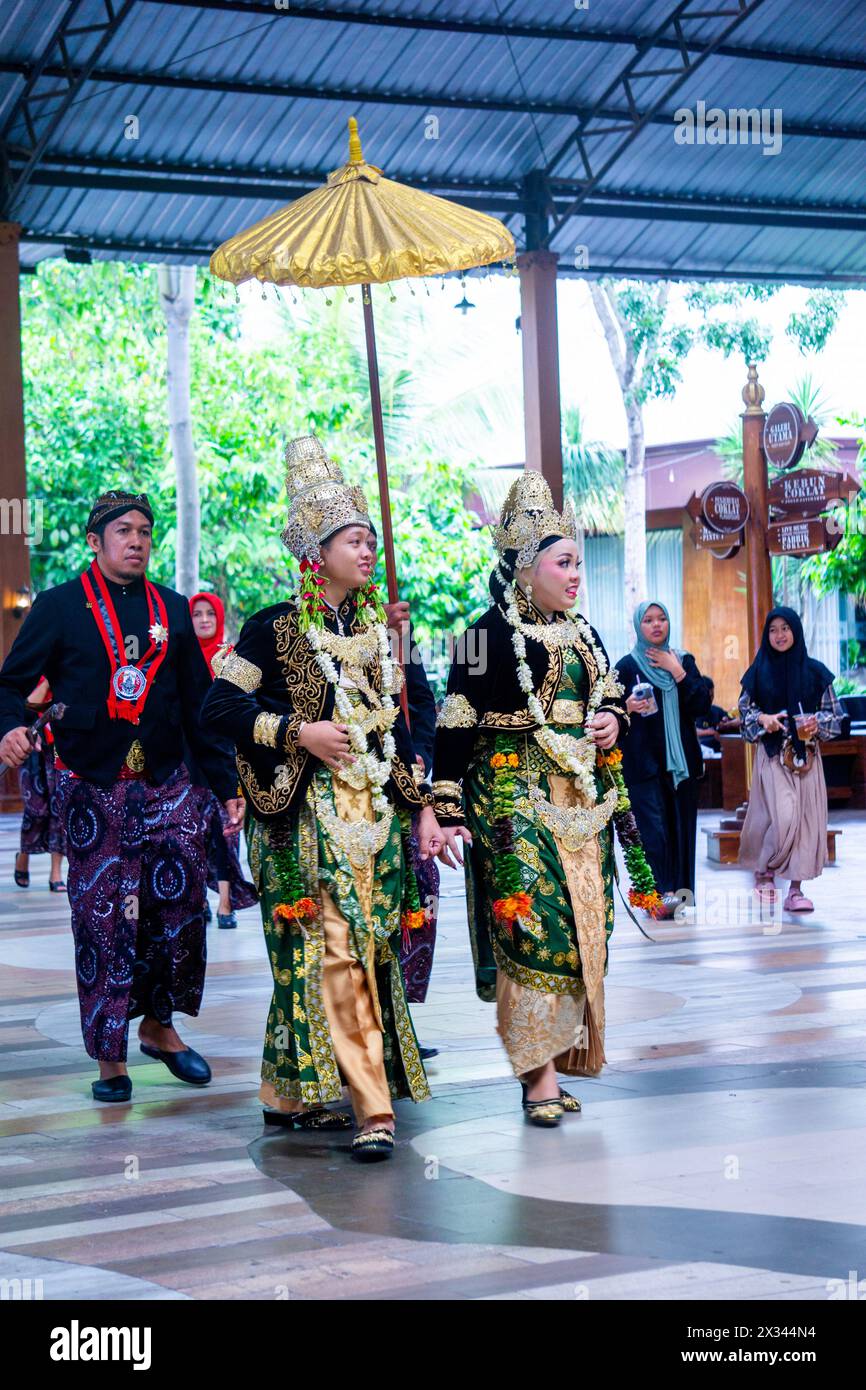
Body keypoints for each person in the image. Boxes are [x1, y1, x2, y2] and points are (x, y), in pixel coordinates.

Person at [201, 436, 442, 1162]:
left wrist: (427, 808)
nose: (368, 551)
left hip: (372, 821)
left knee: (359, 953)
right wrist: (294, 731)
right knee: (332, 952)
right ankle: (373, 1110)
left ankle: (289, 1091)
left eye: (371, 539)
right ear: (317, 552)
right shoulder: (273, 628)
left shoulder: (379, 636)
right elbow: (216, 710)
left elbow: (400, 732)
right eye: (353, 540)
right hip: (298, 821)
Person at [0, 490, 242, 1103]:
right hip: (91, 784)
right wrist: (8, 727)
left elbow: (199, 706)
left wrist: (226, 786)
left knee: (182, 910)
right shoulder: (59, 607)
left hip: (168, 782)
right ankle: (110, 1059)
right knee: (104, 921)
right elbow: (10, 685)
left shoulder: (173, 607)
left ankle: (161, 1029)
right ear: (96, 540)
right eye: (123, 531)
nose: (136, 541)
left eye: (144, 532)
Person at [431, 472, 629, 1128]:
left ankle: (560, 1058)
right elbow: (454, 728)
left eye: (577, 563)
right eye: (564, 562)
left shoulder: (585, 635)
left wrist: (611, 724)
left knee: (579, 931)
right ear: (526, 569)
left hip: (579, 802)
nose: (576, 575)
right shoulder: (484, 638)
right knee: (528, 928)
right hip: (510, 805)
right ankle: (535, 1073)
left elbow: (612, 699)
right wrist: (448, 807)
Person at [737, 606, 843, 912]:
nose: (779, 635)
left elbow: (836, 718)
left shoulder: (816, 672)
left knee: (806, 822)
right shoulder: (757, 673)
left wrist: (816, 724)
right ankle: (765, 871)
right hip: (772, 755)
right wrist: (764, 719)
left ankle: (795, 890)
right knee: (783, 817)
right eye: (773, 629)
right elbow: (744, 716)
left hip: (807, 757)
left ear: (795, 631)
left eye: (785, 628)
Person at [615, 601, 711, 916]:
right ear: (638, 626)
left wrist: (677, 671)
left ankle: (676, 894)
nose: (657, 625)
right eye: (648, 620)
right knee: (652, 831)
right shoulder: (626, 667)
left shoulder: (683, 660)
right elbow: (609, 712)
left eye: (662, 619)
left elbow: (701, 706)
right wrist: (627, 707)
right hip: (643, 765)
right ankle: (656, 895)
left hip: (681, 765)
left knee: (680, 829)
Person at [189, 590, 257, 929]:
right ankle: (199, 899)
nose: (203, 621)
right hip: (190, 764)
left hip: (228, 758)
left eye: (209, 615)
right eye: (196, 615)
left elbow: (244, 705)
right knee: (195, 835)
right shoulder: (180, 659)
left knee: (226, 834)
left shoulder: (230, 658)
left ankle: (226, 903)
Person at [14, 676, 67, 892]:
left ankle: (55, 873)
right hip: (32, 749)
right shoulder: (33, 673)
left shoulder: (67, 670)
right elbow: (26, 707)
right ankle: (23, 855)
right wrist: (46, 682)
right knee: (35, 809)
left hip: (60, 751)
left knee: (59, 810)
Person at [695, 676, 728, 754]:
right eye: (707, 696)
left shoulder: (717, 711)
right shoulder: (690, 712)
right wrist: (709, 732)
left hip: (718, 754)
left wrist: (726, 723)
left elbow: (730, 720)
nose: (710, 700)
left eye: (712, 696)